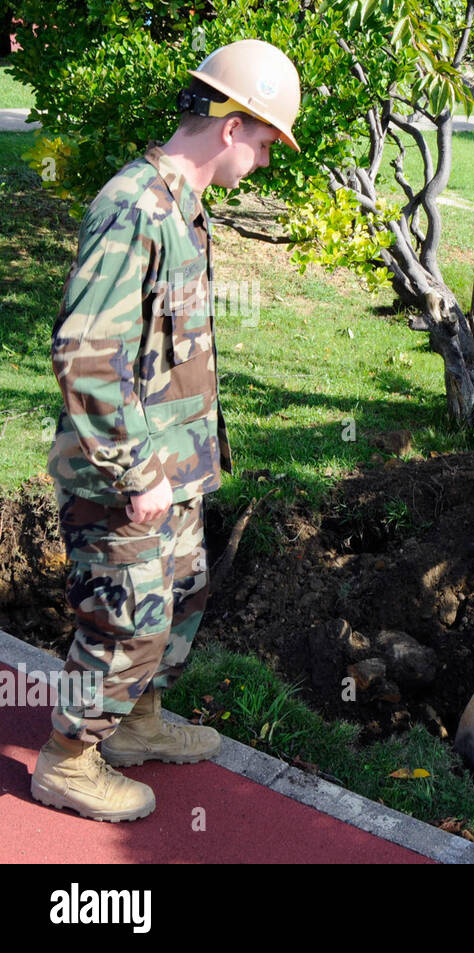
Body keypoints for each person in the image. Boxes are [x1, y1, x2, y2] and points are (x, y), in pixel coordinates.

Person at [30, 39, 301, 822]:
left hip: (173, 467)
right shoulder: (134, 208)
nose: (263, 160)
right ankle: (69, 758)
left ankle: (136, 723)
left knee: (182, 598)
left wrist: (178, 469)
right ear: (229, 126)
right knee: (128, 619)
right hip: (119, 478)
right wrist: (137, 471)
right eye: (263, 143)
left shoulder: (183, 207)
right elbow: (83, 351)